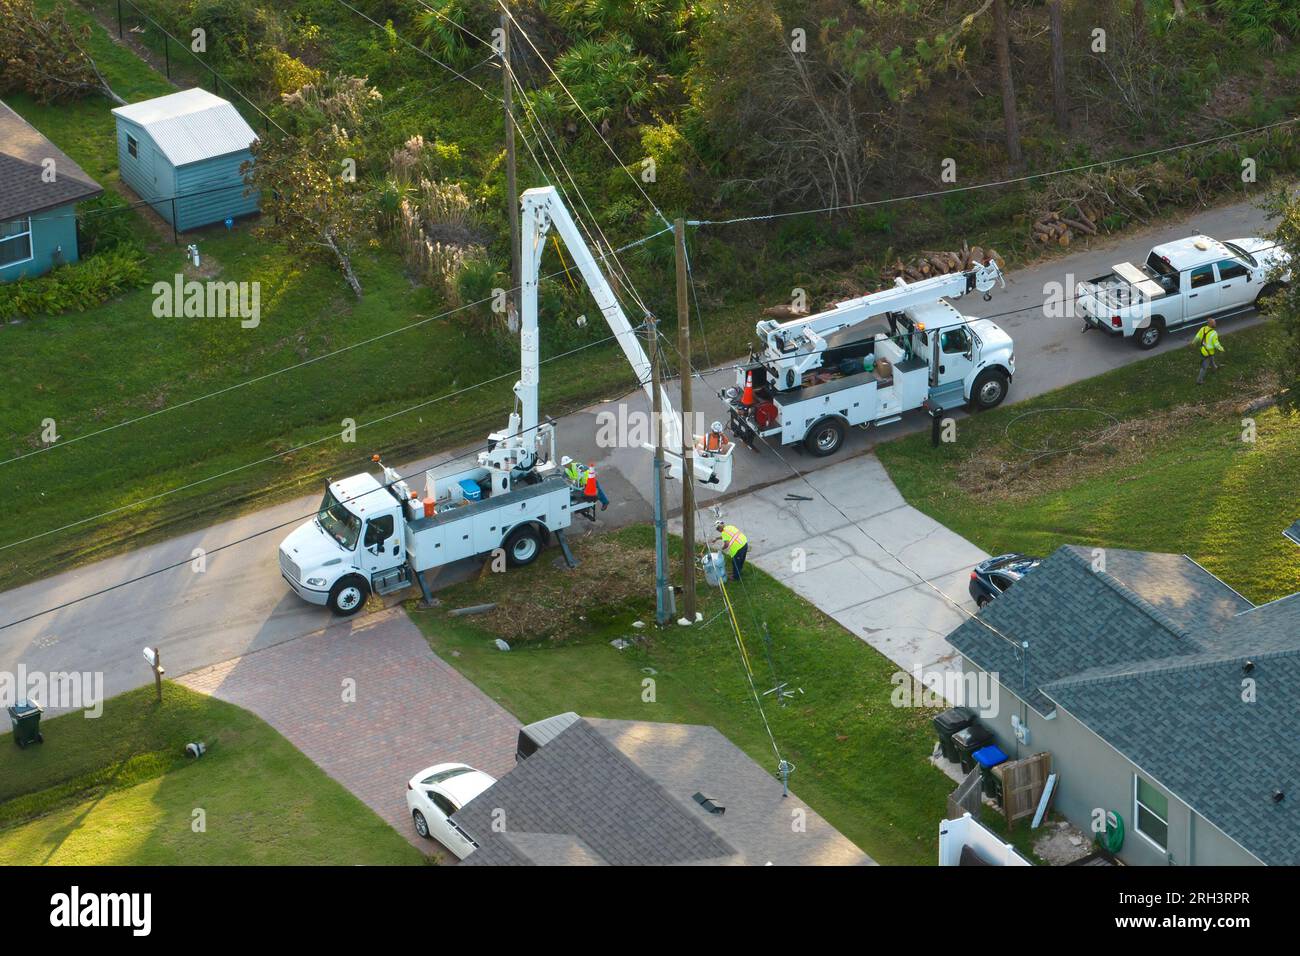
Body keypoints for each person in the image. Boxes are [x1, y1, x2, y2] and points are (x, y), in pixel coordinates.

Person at [1194, 318, 1224, 384]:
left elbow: (1197, 337)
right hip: (1209, 352)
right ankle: (1199, 380)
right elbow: (1216, 344)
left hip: (1203, 349)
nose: (1215, 323)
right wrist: (1221, 349)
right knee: (1204, 367)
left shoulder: (1203, 329)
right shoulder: (1214, 333)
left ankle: (1214, 368)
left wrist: (1193, 343)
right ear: (1211, 324)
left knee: (1211, 359)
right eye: (1214, 323)